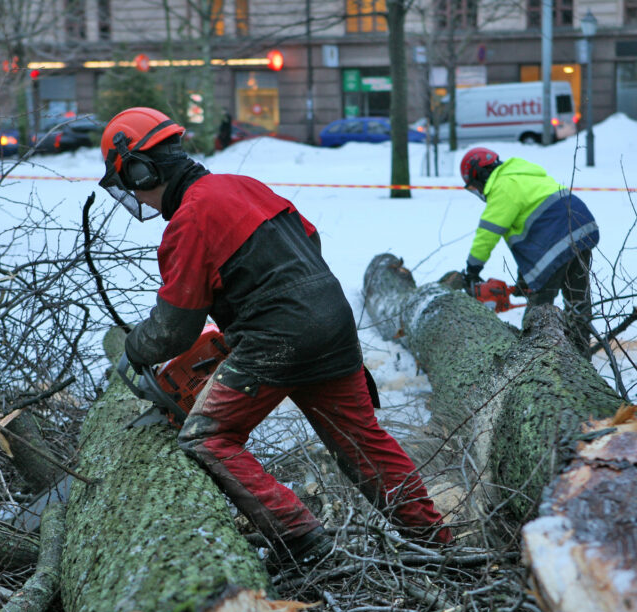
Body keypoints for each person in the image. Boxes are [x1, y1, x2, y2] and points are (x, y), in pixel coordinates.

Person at [99, 107, 452, 565]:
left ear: (141, 169)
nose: (139, 200)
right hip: (332, 321)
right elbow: (309, 241)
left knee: (207, 437)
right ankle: (435, 542)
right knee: (362, 441)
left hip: (279, 337)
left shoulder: (188, 219)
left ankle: (303, 541)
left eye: (132, 186)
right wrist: (243, 318)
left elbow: (173, 328)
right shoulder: (246, 187)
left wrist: (134, 349)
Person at [459, 147, 600, 353]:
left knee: (539, 307)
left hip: (556, 240)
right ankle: (580, 350)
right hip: (582, 229)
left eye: (474, 187)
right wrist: (524, 279)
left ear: (480, 174)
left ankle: (531, 356)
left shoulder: (502, 186)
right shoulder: (521, 175)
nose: (478, 192)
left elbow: (488, 233)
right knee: (577, 297)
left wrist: (472, 269)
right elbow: (534, 236)